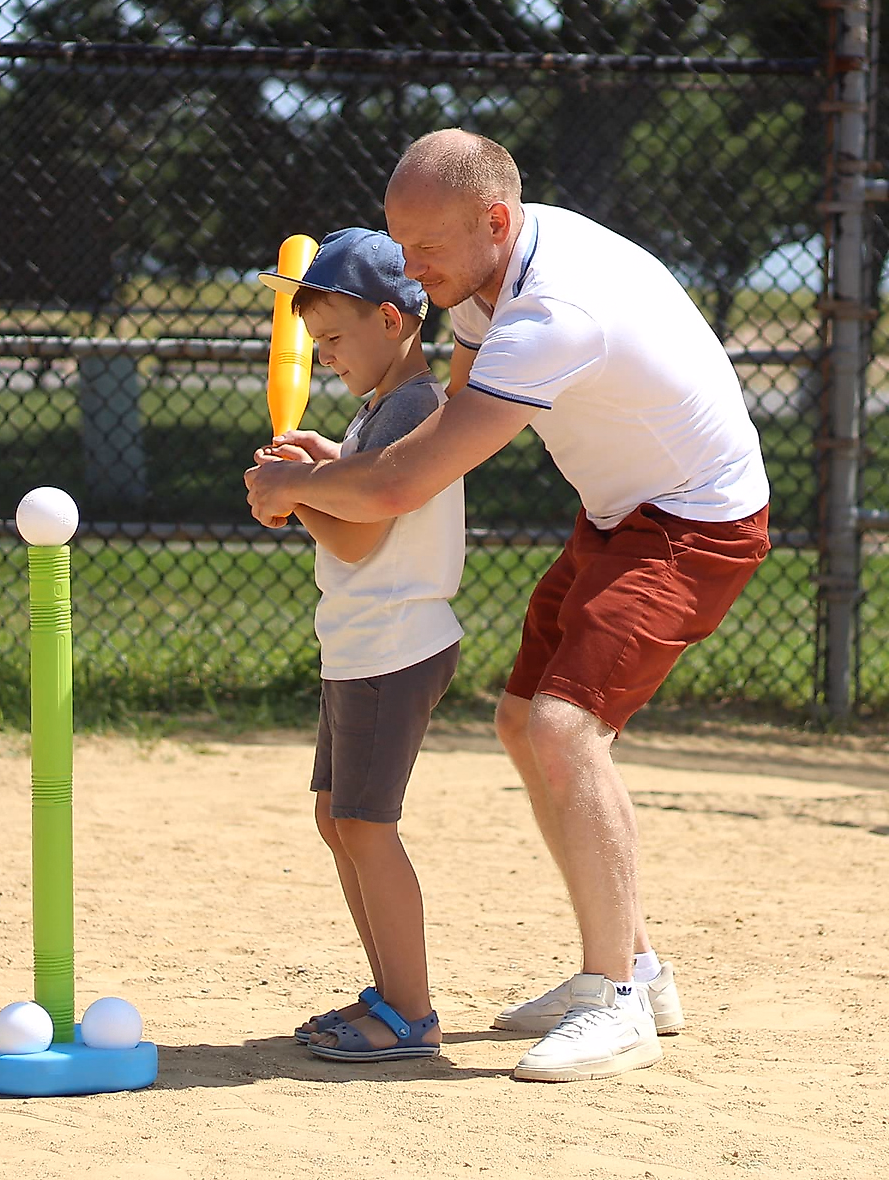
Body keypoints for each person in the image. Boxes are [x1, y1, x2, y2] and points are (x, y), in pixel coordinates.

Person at [245, 129, 771, 1083]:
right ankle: (638, 971)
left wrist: (299, 493)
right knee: (523, 718)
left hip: (694, 521)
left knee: (567, 728)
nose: (410, 271)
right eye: (401, 246)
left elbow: (407, 484)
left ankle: (614, 1001)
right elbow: (429, 434)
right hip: (620, 512)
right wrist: (343, 470)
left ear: (495, 220)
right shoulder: (488, 276)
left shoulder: (550, 312)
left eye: (427, 249)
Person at [253, 226, 465, 1062]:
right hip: (364, 644)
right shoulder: (384, 408)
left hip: (393, 644)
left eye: (335, 340)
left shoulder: (413, 404)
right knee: (337, 819)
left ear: (392, 319)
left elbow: (355, 539)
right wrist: (323, 461)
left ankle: (411, 1013)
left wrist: (292, 493)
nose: (327, 357)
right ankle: (389, 994)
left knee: (365, 826)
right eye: (317, 345)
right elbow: (367, 485)